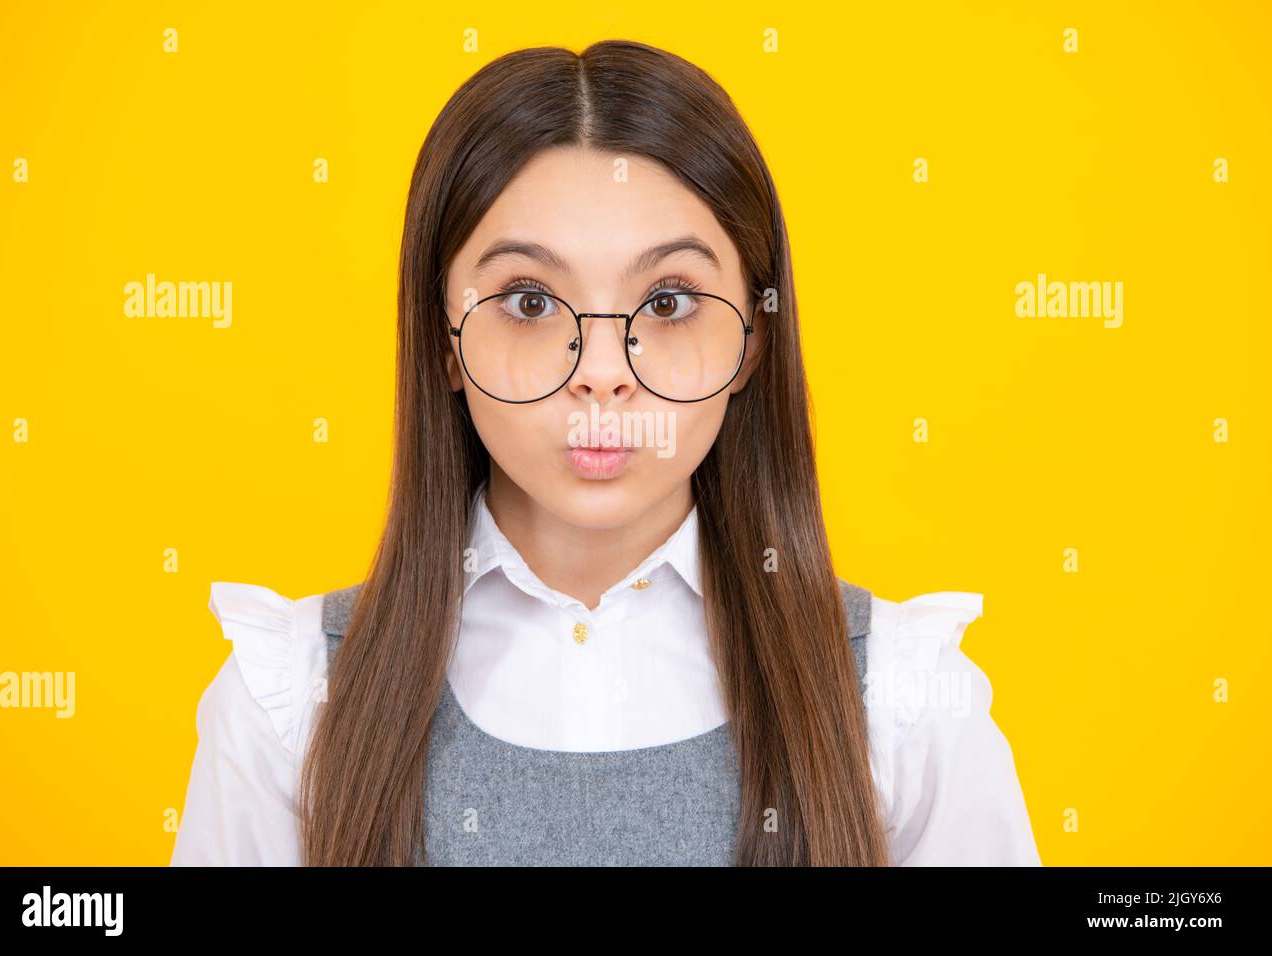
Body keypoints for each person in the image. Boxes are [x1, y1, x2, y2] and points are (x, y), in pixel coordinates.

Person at [170, 40, 1041, 867]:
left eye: (666, 302)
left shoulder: (905, 700)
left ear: (751, 345)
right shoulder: (284, 703)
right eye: (528, 300)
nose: (600, 375)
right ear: (443, 341)